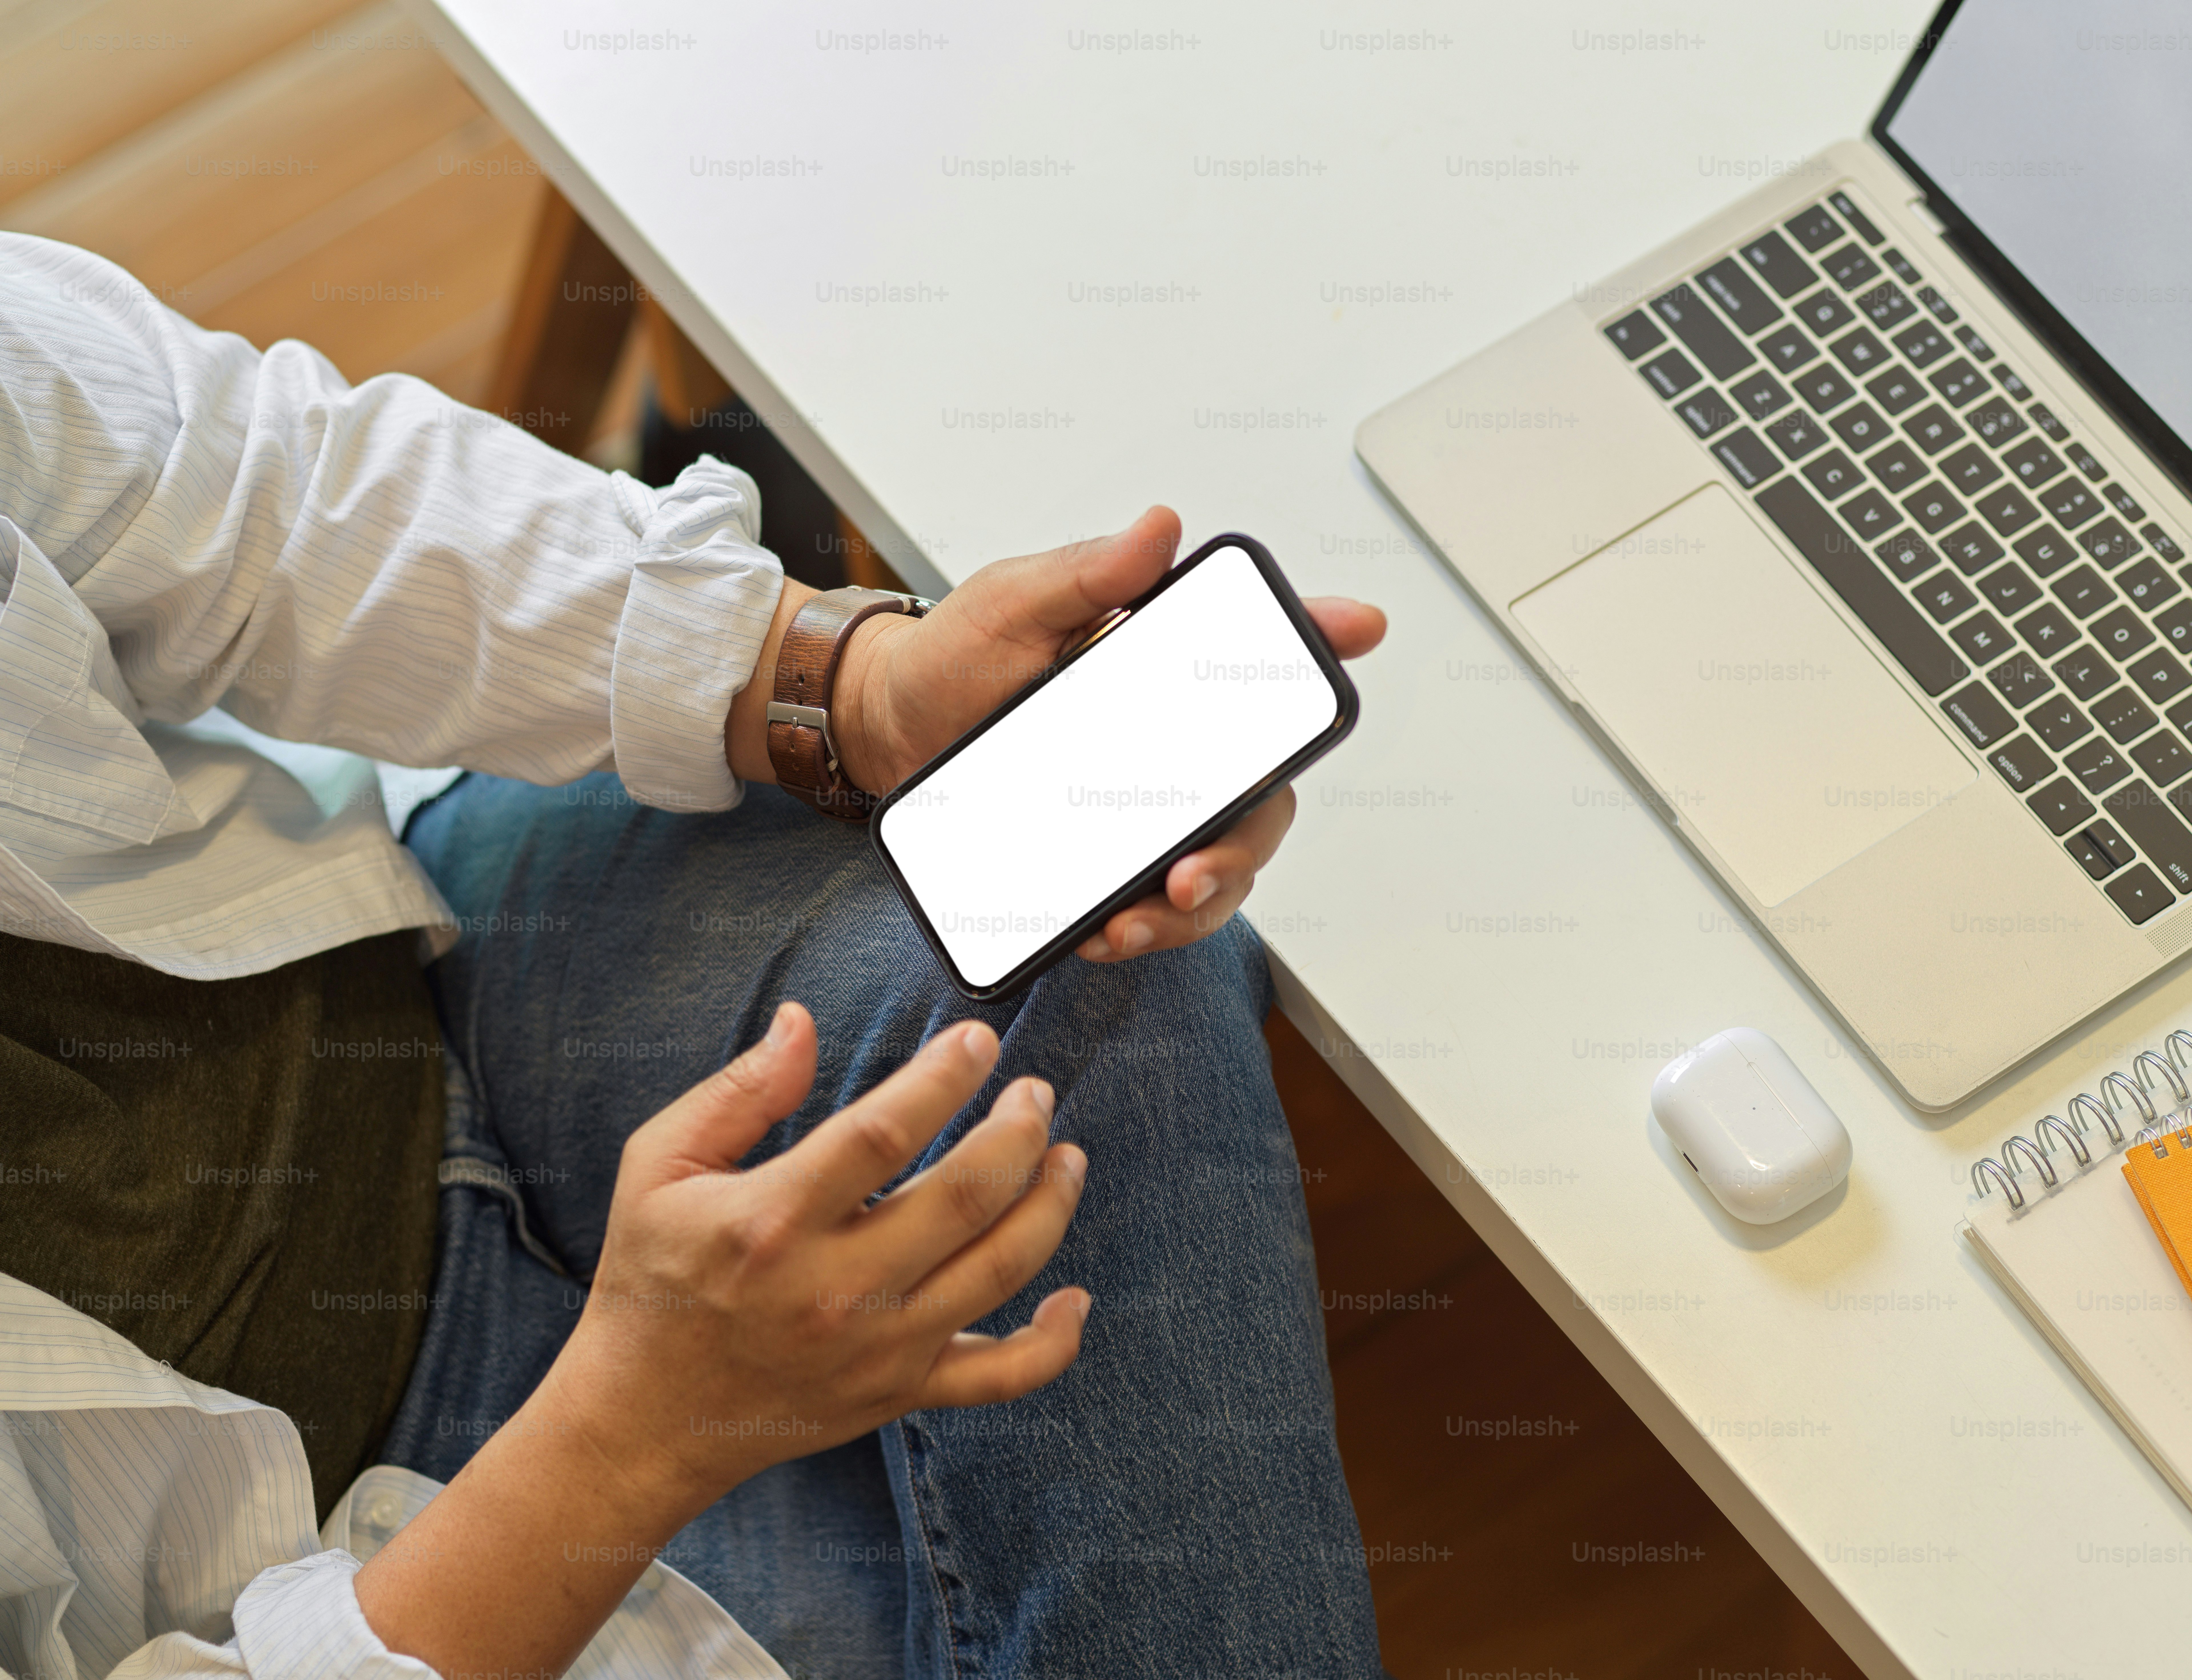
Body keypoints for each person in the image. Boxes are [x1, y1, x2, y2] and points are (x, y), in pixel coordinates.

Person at [0, 231, 1388, 1678]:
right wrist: (628, 1437)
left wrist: (843, 684)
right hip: (365, 1587)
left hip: (411, 973)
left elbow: (244, 485)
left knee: (1080, 948)